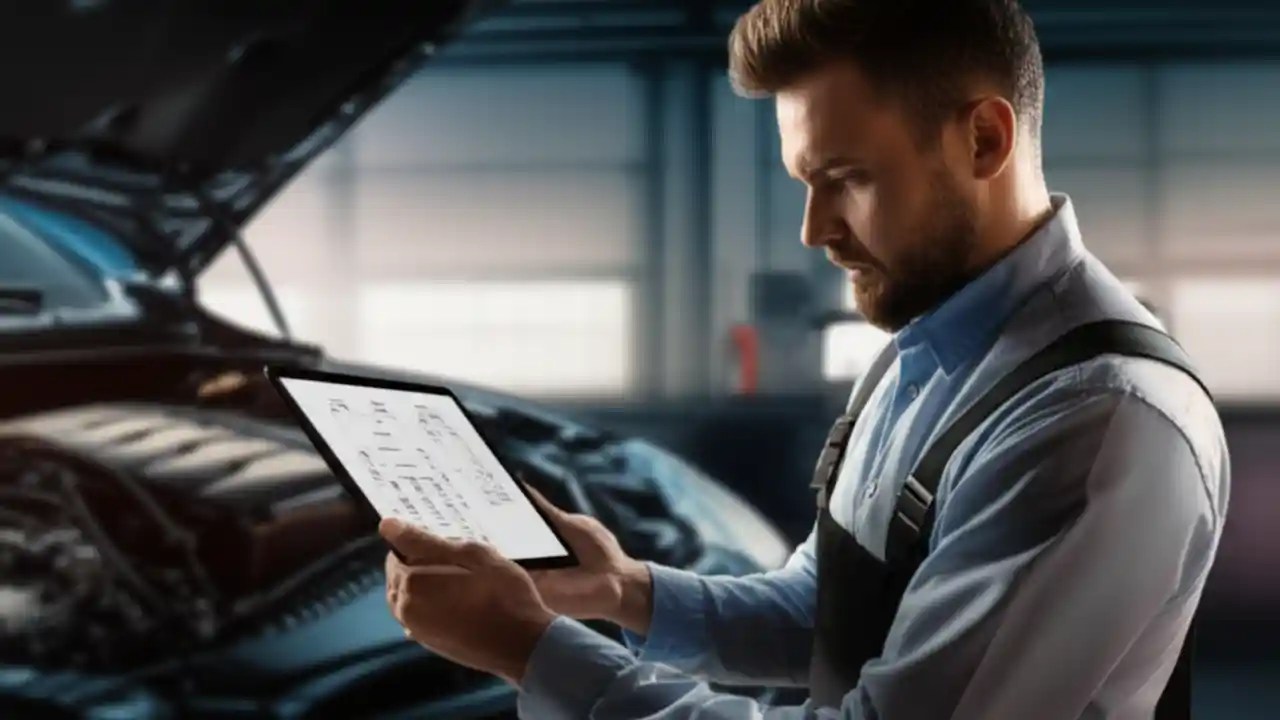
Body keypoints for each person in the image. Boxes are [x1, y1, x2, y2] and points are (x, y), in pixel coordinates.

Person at [378, 0, 1231, 717]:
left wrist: (532, 651)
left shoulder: (1095, 420)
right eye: (805, 182)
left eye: (847, 178)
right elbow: (824, 614)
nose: (814, 230)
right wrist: (625, 590)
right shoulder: (922, 350)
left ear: (983, 140)